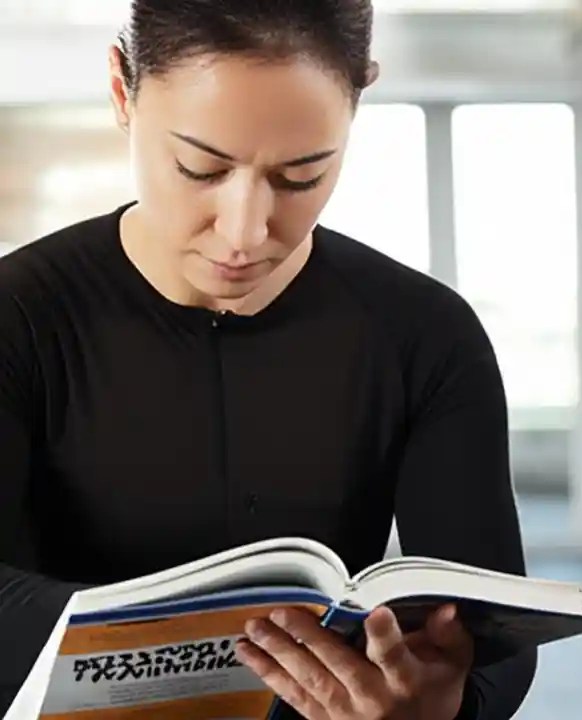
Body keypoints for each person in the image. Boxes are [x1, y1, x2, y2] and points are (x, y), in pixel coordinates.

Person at [0, 1, 536, 718]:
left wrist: (438, 704)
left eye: (300, 178)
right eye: (199, 168)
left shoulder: (429, 336)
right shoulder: (16, 319)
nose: (245, 232)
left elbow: (494, 637)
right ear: (123, 91)